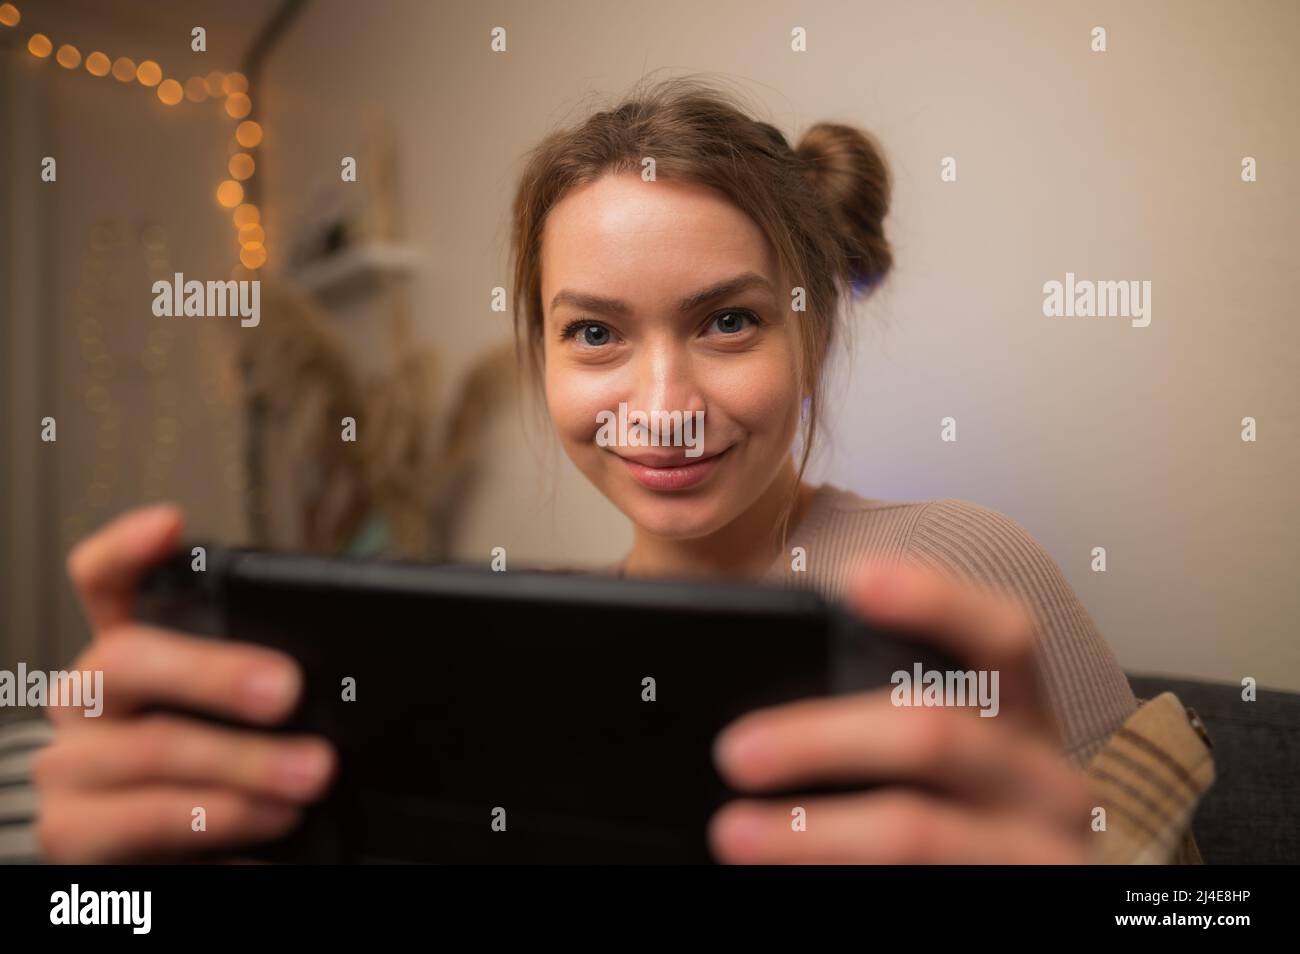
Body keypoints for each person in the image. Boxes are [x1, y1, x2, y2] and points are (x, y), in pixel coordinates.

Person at [26, 76, 1212, 864]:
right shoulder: (537, 651)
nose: (661, 407)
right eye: (593, 333)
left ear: (813, 335)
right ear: (538, 353)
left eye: (727, 322)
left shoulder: (961, 572)